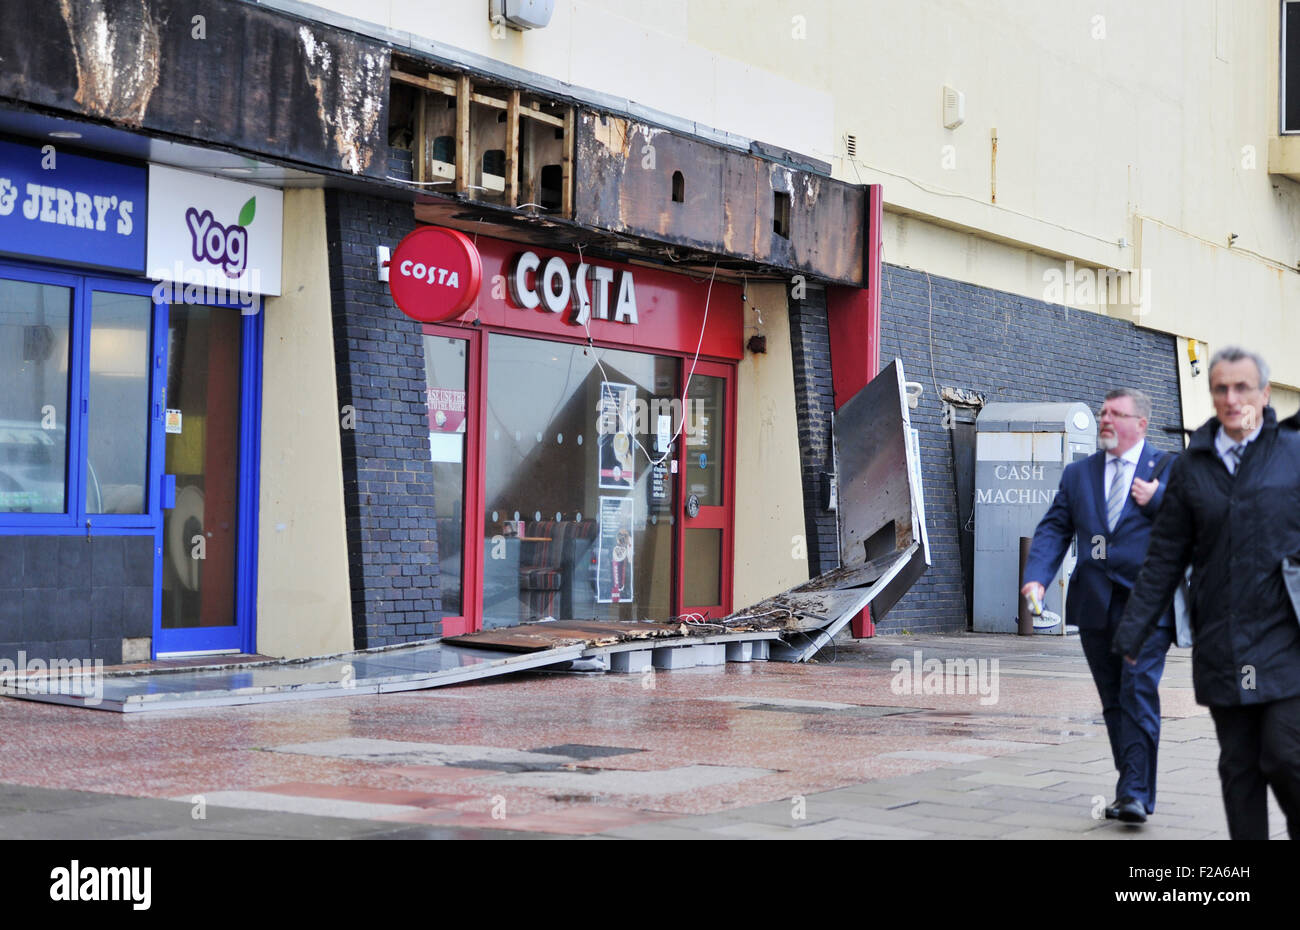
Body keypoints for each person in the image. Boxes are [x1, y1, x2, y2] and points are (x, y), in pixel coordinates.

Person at [1114, 347, 1300, 840]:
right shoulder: (1192, 467)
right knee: (1239, 767)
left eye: (1242, 388)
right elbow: (1164, 555)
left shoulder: (1292, 454)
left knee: (1285, 754)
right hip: (1224, 638)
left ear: (1265, 394)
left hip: (1287, 637)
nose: (1232, 398)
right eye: (1221, 388)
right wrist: (1134, 631)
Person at [1022, 388, 1177, 824]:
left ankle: (1134, 794)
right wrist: (1037, 576)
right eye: (1103, 412)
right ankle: (1131, 782)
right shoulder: (1079, 474)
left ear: (1141, 424)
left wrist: (1159, 499)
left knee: (1137, 689)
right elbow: (1055, 528)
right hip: (1095, 604)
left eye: (1116, 414)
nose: (1105, 419)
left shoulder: (1168, 467)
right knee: (1113, 698)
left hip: (1148, 604)